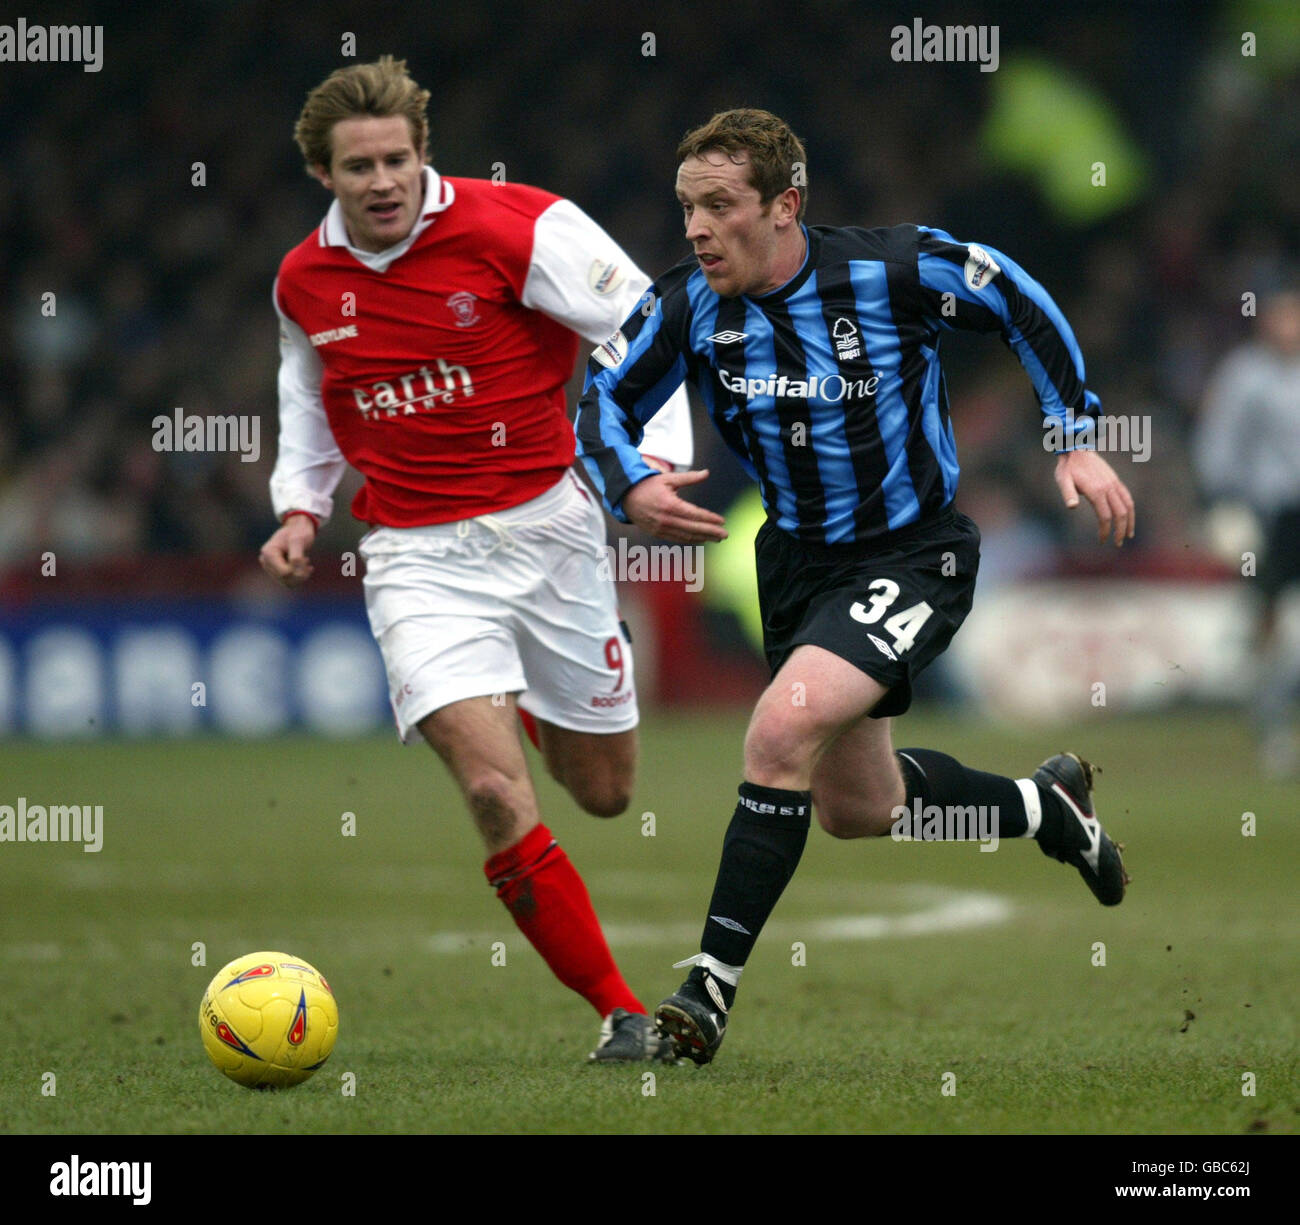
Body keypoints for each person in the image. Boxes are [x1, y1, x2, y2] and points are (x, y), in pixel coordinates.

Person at [575, 108, 1135, 1065]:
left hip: (915, 554)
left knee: (778, 730)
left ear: (786, 205)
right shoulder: (686, 308)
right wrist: (630, 480)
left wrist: (1073, 434)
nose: (698, 229)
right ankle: (1049, 808)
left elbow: (1016, 298)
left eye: (720, 206)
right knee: (857, 809)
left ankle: (702, 999)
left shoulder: (891, 270)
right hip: (798, 568)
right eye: (686, 209)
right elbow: (599, 402)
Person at [259, 57, 693, 1062]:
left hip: (551, 532)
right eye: (357, 165)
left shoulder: (522, 227)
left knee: (604, 791)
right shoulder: (302, 281)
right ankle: (622, 1015)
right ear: (323, 174)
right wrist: (298, 505)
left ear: (423, 152)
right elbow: (309, 393)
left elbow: (647, 328)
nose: (381, 181)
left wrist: (651, 467)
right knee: (496, 796)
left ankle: (536, 698)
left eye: (397, 158)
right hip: (415, 555)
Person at [1195, 289, 1300, 778]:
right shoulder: (1246, 374)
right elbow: (1219, 441)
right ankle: (1271, 721)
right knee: (1269, 617)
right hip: (1274, 512)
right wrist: (1221, 501)